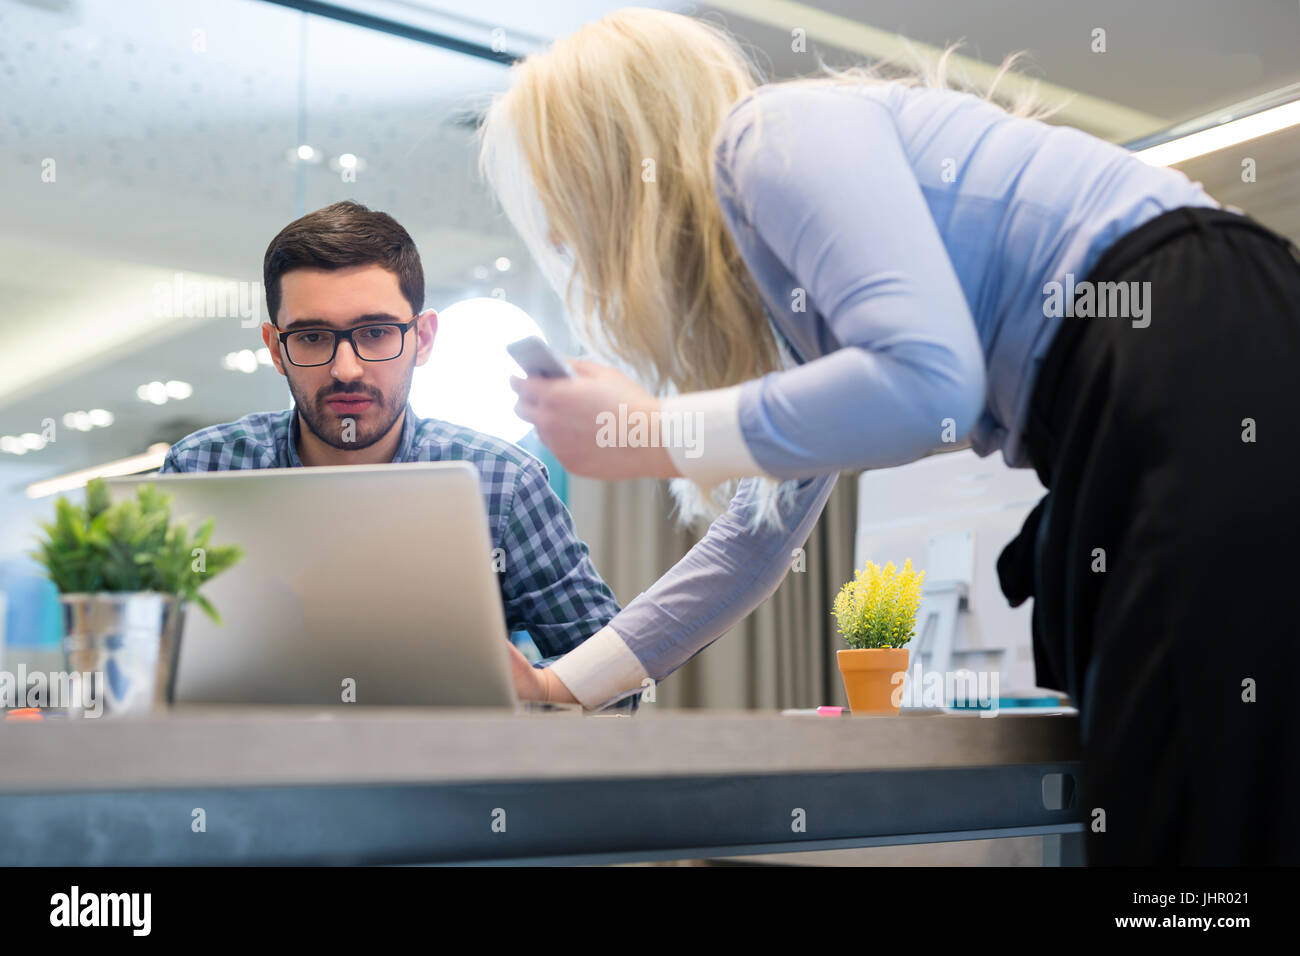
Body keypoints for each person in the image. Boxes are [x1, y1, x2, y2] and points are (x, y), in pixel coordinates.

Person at [479, 8, 1300, 862]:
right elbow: (755, 542)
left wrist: (653, 432)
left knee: (1192, 820)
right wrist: (563, 684)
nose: (561, 235)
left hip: (1188, 335)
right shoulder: (788, 274)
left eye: (561, 194)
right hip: (1167, 370)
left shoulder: (771, 138)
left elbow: (929, 383)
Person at [160, 200, 631, 708]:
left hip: (437, 758)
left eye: (375, 333)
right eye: (313, 337)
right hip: (245, 756)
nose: (346, 369)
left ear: (422, 338)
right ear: (276, 349)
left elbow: (616, 685)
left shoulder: (502, 481)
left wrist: (494, 690)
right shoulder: (200, 470)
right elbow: (139, 666)